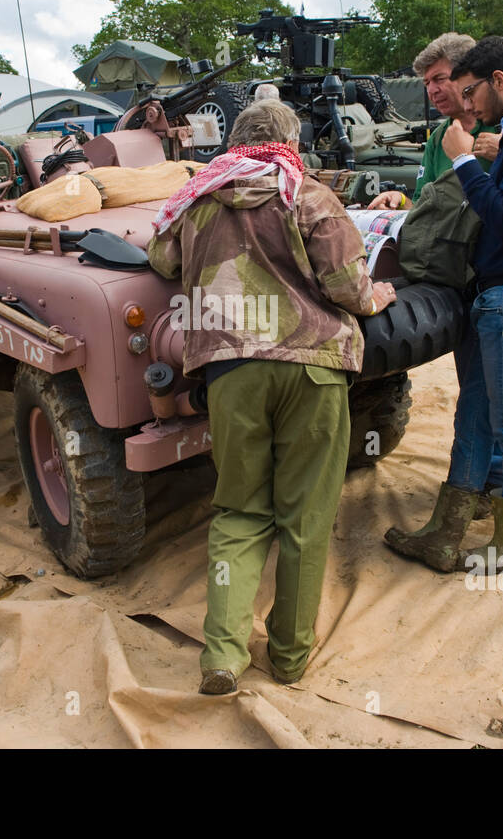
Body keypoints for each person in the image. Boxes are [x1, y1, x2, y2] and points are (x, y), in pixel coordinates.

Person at [147, 100, 396, 694]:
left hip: (230, 371)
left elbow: (160, 257)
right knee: (305, 520)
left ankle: (222, 658)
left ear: (231, 143)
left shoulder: (199, 198)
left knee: (238, 512)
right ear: (292, 141)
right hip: (311, 367)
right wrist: (380, 295)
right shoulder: (308, 196)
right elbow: (349, 289)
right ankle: (288, 657)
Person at [383, 36, 503, 575]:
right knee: (475, 416)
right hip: (501, 295)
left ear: (498, 79)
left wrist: (465, 161)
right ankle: (445, 534)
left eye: (471, 91)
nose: (469, 105)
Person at [367, 33, 500, 211]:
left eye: (439, 79)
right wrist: (400, 200)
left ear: (467, 75)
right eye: (427, 83)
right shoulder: (438, 139)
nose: (431, 90)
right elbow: (423, 207)